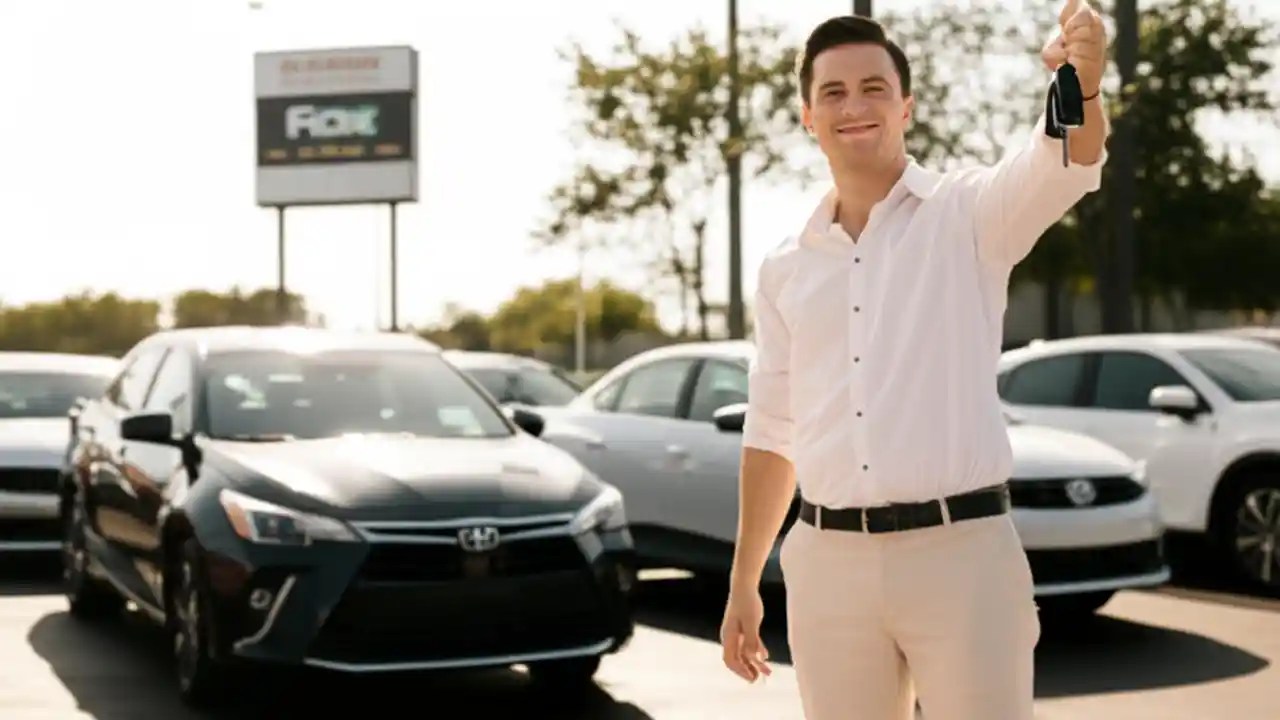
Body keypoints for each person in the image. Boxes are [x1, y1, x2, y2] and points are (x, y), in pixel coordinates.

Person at [718, 1, 1109, 718]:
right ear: (809, 117)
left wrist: (1080, 84)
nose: (853, 105)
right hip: (826, 564)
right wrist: (744, 579)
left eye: (873, 88)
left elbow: (1064, 161)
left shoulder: (969, 216)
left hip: (961, 558)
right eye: (832, 92)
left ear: (906, 107)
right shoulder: (784, 268)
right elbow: (772, 430)